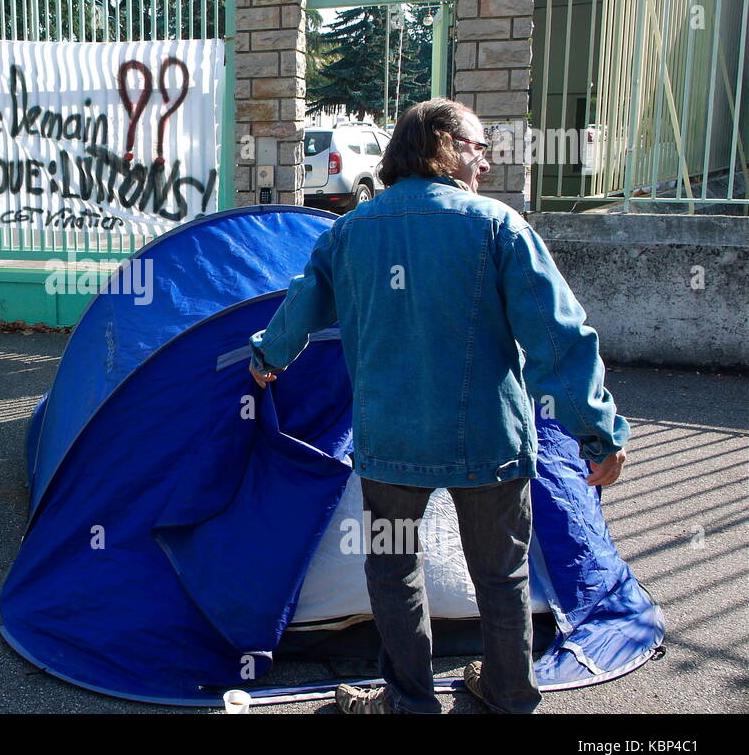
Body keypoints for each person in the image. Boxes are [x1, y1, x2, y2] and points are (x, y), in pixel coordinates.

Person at [248, 99, 629, 715]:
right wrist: (599, 433)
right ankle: (508, 694)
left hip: (392, 444)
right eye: (478, 148)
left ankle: (409, 704)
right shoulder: (498, 227)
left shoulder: (350, 231)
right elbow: (559, 338)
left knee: (394, 572)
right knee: (502, 578)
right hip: (490, 442)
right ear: (445, 144)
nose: (483, 162)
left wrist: (267, 357)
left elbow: (303, 305)